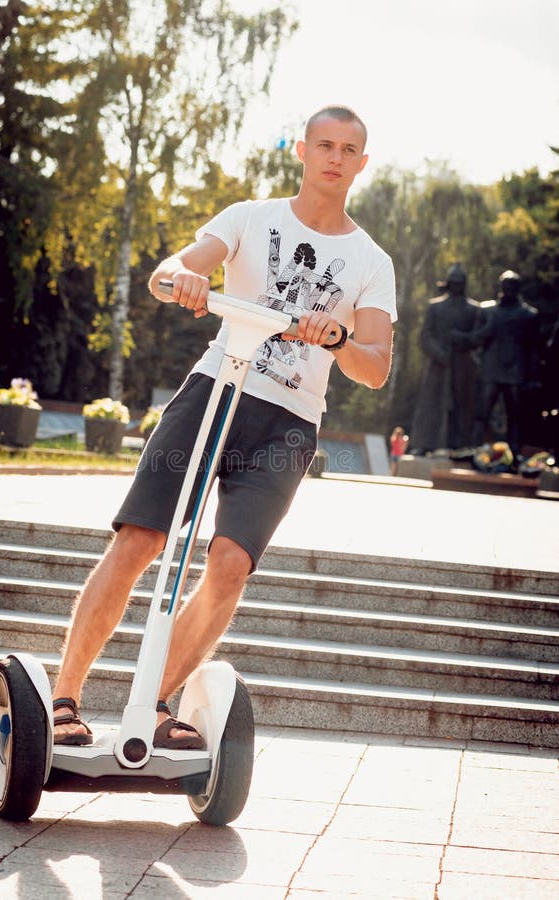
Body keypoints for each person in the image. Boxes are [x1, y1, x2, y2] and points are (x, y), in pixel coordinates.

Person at [52, 105, 397, 746]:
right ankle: (65, 701)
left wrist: (340, 337)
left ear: (363, 163)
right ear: (301, 149)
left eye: (349, 149)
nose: (335, 158)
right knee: (139, 540)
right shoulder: (249, 218)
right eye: (324, 144)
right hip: (214, 390)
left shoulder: (372, 261)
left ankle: (153, 704)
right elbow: (168, 272)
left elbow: (375, 368)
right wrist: (185, 276)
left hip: (288, 424)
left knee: (231, 565)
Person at [409, 263, 480, 454]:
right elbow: (425, 336)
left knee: (461, 405)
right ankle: (423, 444)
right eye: (454, 282)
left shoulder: (473, 309)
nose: (456, 286)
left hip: (462, 366)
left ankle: (459, 445)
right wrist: (439, 353)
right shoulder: (435, 307)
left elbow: (477, 338)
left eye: (460, 283)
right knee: (430, 404)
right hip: (438, 365)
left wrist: (463, 339)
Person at [470, 270, 539, 458]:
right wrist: (479, 365)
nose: (507, 290)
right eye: (505, 286)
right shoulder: (487, 310)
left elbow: (533, 348)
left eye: (512, 286)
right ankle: (475, 449)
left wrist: (532, 377)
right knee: (481, 413)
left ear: (517, 289)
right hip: (490, 369)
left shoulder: (528, 315)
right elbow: (475, 342)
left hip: (515, 371)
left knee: (515, 416)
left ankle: (514, 453)